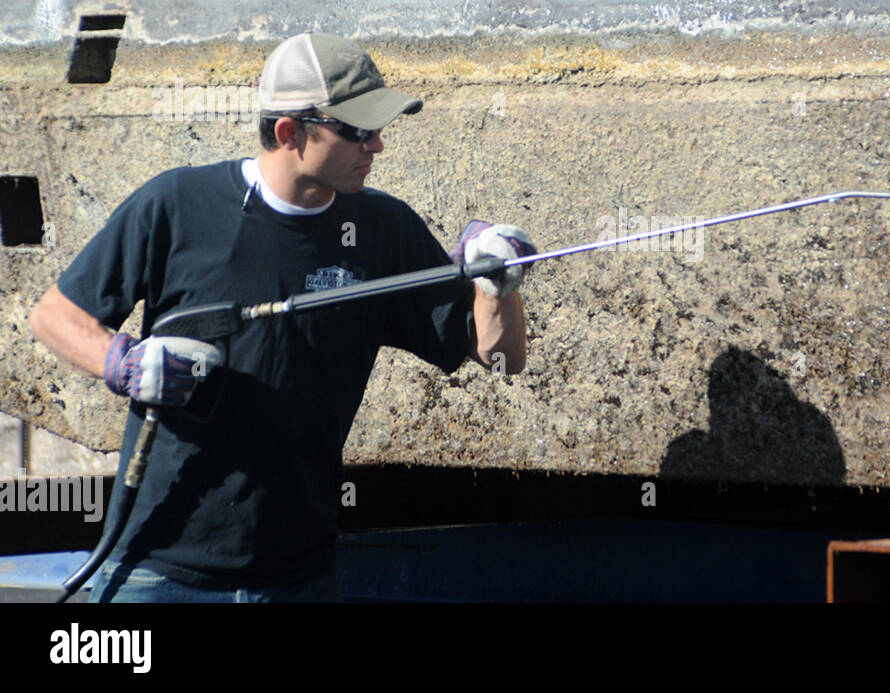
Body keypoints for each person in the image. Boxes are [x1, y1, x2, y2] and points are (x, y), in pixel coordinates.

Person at [28, 32, 534, 602]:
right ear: (290, 132)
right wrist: (120, 363)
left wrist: (497, 286)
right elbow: (53, 316)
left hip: (297, 579)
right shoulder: (176, 206)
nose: (378, 147)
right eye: (358, 132)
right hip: (160, 572)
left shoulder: (382, 231)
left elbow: (500, 357)